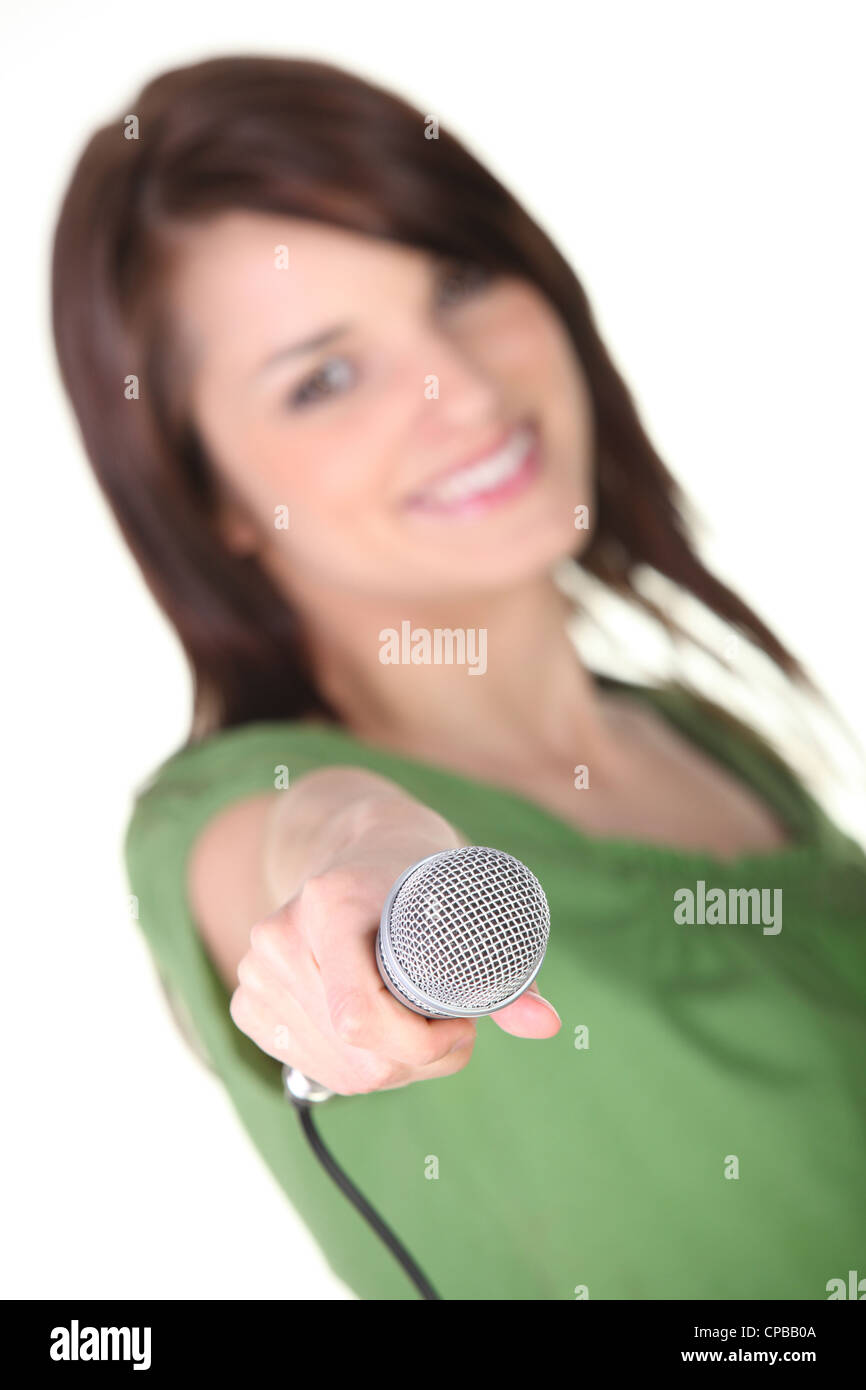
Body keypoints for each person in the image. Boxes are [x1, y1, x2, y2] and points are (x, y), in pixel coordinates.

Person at [51, 54, 866, 1301]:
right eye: (323, 376)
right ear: (208, 497)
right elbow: (313, 842)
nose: (465, 390)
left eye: (460, 280)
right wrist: (375, 874)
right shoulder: (222, 815)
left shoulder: (704, 740)